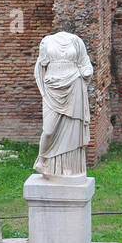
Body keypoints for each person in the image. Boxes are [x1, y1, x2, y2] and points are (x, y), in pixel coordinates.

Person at [33, 32, 93, 178]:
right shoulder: (46, 42)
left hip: (73, 86)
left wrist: (87, 71)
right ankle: (43, 160)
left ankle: (68, 168)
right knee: (48, 130)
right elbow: (40, 67)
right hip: (52, 89)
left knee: (72, 131)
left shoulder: (76, 41)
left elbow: (85, 63)